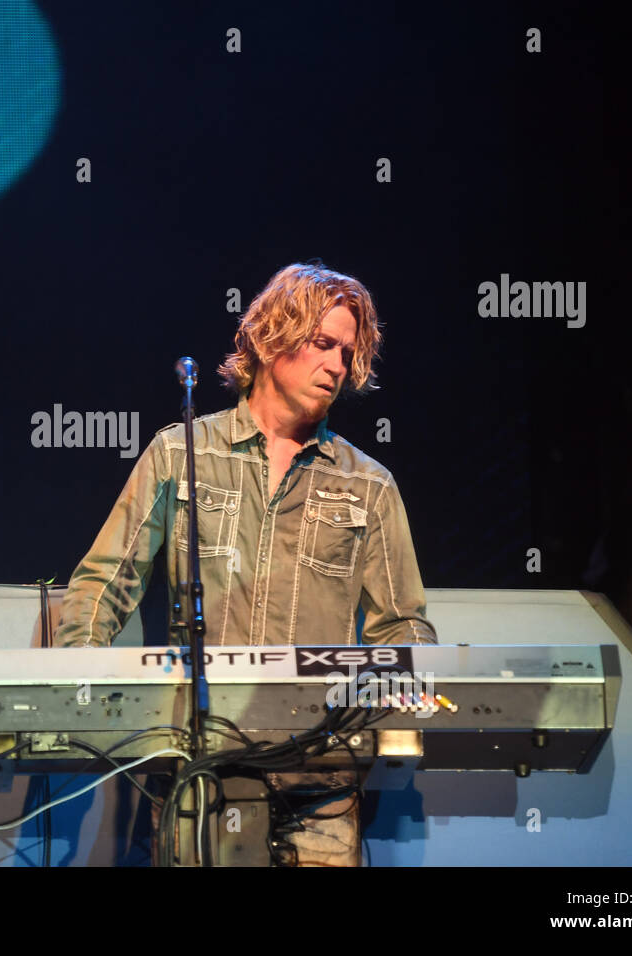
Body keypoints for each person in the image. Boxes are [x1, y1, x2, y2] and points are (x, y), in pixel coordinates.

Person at [54, 262, 438, 865]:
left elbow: (403, 628)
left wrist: (407, 702)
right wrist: (75, 691)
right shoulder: (179, 453)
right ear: (269, 339)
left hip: (322, 779)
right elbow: (103, 584)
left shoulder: (370, 485)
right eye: (322, 344)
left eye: (346, 351)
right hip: (198, 764)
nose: (337, 365)